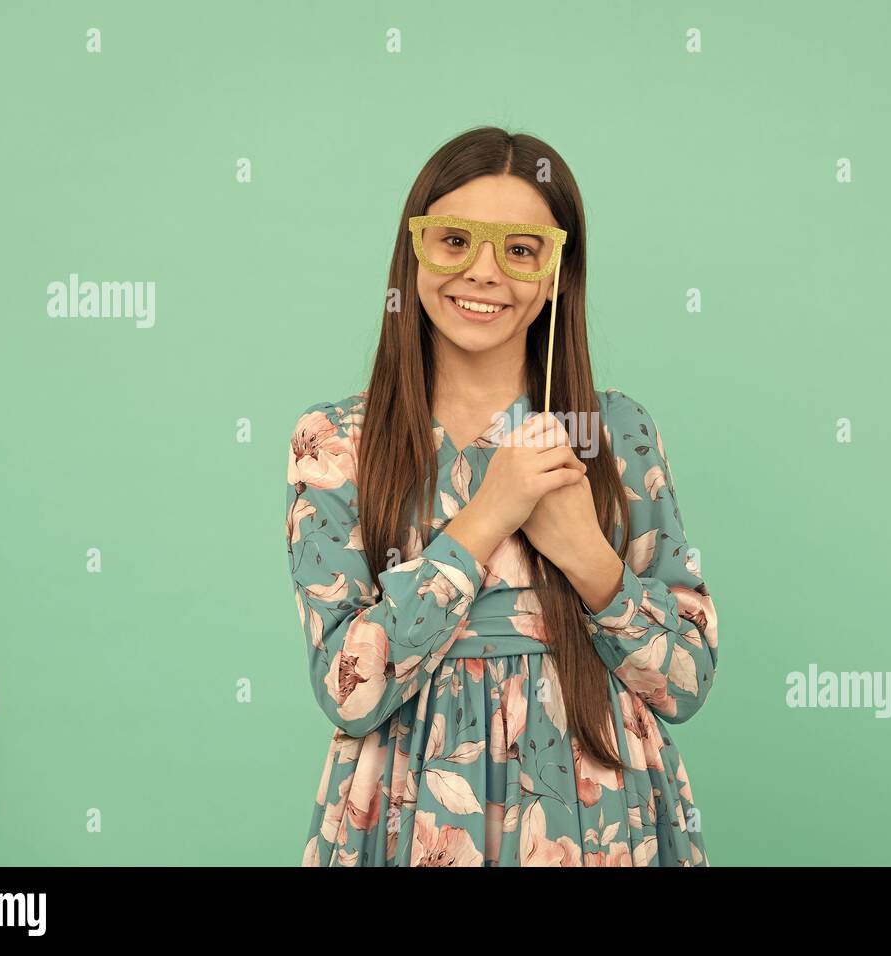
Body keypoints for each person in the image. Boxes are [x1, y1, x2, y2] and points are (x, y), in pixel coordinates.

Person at [285, 126, 719, 866]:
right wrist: (489, 514)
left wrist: (587, 555)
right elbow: (347, 692)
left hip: (598, 821)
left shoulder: (615, 433)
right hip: (408, 816)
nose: (484, 272)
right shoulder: (336, 443)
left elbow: (685, 681)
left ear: (555, 272)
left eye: (520, 248)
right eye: (455, 240)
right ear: (415, 251)